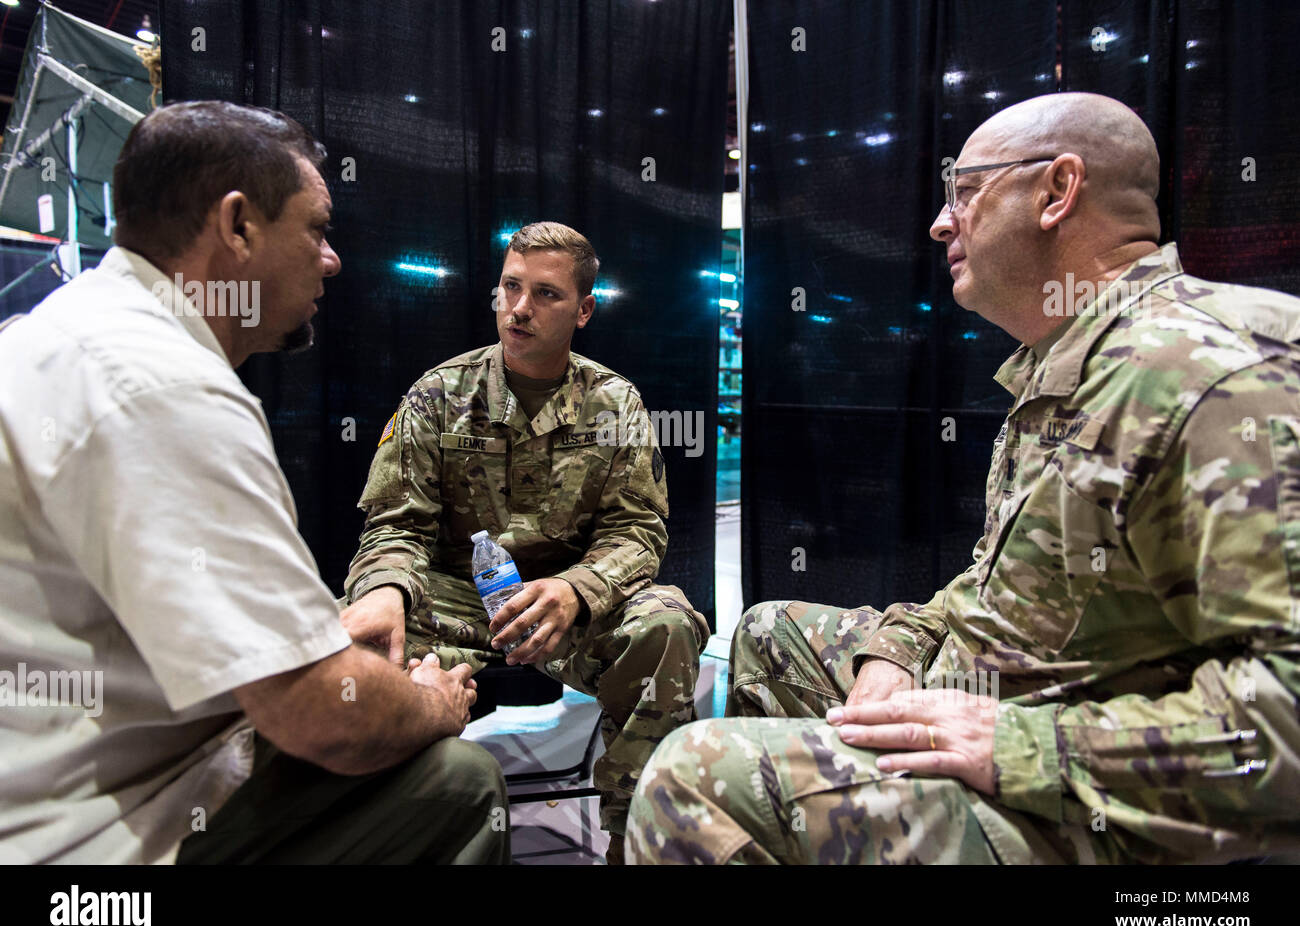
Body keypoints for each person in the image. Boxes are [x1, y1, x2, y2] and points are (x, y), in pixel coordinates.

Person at [626, 92, 1300, 864]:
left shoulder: (1211, 374)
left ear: (1057, 191)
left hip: (1098, 809)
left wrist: (1021, 744)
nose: (942, 223)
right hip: (1010, 693)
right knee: (769, 631)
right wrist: (905, 646)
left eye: (968, 191)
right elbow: (997, 583)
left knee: (693, 776)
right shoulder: (1072, 365)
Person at [0, 101, 508, 864]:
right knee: (457, 782)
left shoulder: (61, 335)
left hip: (61, 776)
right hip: (93, 848)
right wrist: (432, 702)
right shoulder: (171, 388)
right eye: (317, 228)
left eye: (547, 291)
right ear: (238, 225)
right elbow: (319, 714)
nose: (331, 258)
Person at [341, 221, 709, 863]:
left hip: (566, 607)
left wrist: (576, 589)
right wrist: (384, 592)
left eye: (546, 294)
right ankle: (392, 839)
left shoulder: (614, 403)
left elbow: (638, 530)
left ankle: (638, 840)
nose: (519, 308)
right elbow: (396, 525)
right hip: (455, 603)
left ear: (584, 310)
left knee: (667, 623)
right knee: (359, 639)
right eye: (511, 287)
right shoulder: (438, 395)